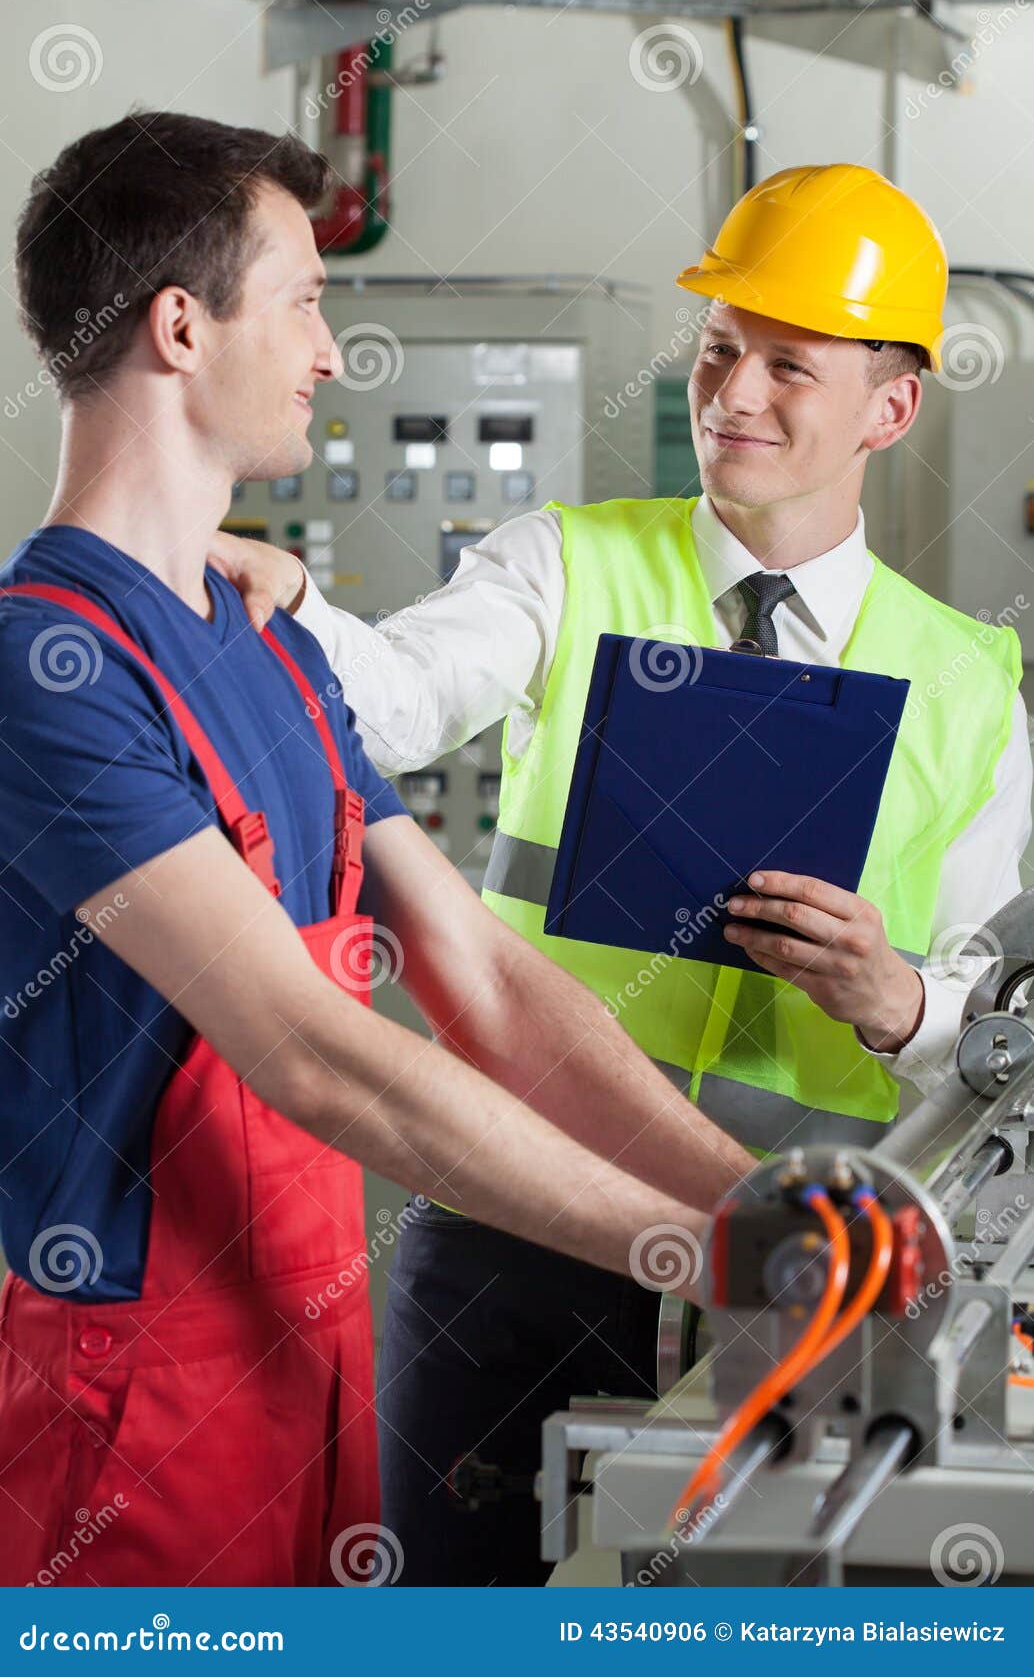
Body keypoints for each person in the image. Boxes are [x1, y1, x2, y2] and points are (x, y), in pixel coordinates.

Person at [216, 163, 1032, 1585]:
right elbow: (395, 699)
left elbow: (978, 1022)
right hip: (518, 1219)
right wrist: (299, 613)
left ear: (888, 409)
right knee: (448, 1605)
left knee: (724, 1618)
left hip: (794, 1251)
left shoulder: (970, 686)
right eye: (720, 350)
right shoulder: (562, 567)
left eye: (790, 365)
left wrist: (894, 996)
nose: (735, 393)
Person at [0, 111, 752, 1590]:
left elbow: (474, 971)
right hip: (129, 1406)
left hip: (308, 1346)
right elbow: (309, 1049)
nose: (331, 351)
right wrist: (704, 1258)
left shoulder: (271, 643)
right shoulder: (45, 669)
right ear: (176, 326)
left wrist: (756, 1203)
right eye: (304, 299)